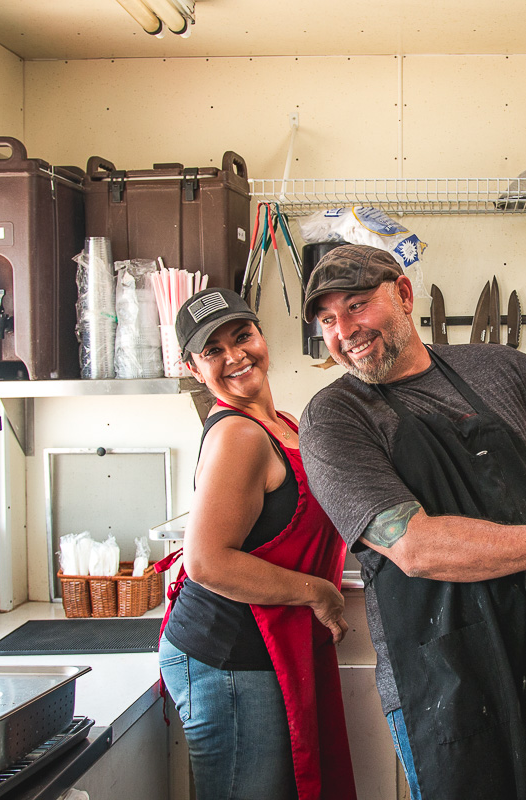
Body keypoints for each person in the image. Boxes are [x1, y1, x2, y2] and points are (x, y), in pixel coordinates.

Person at [297, 244, 526, 800]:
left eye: (358, 305)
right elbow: (417, 548)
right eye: (327, 319)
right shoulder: (335, 418)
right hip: (443, 674)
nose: (344, 330)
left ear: (405, 294)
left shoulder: (499, 368)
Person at [156, 287, 356, 800]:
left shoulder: (281, 424)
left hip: (260, 650)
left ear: (261, 336)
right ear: (192, 368)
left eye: (242, 336)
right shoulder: (238, 436)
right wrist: (318, 592)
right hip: (228, 659)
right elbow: (206, 562)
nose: (235, 356)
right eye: (213, 351)